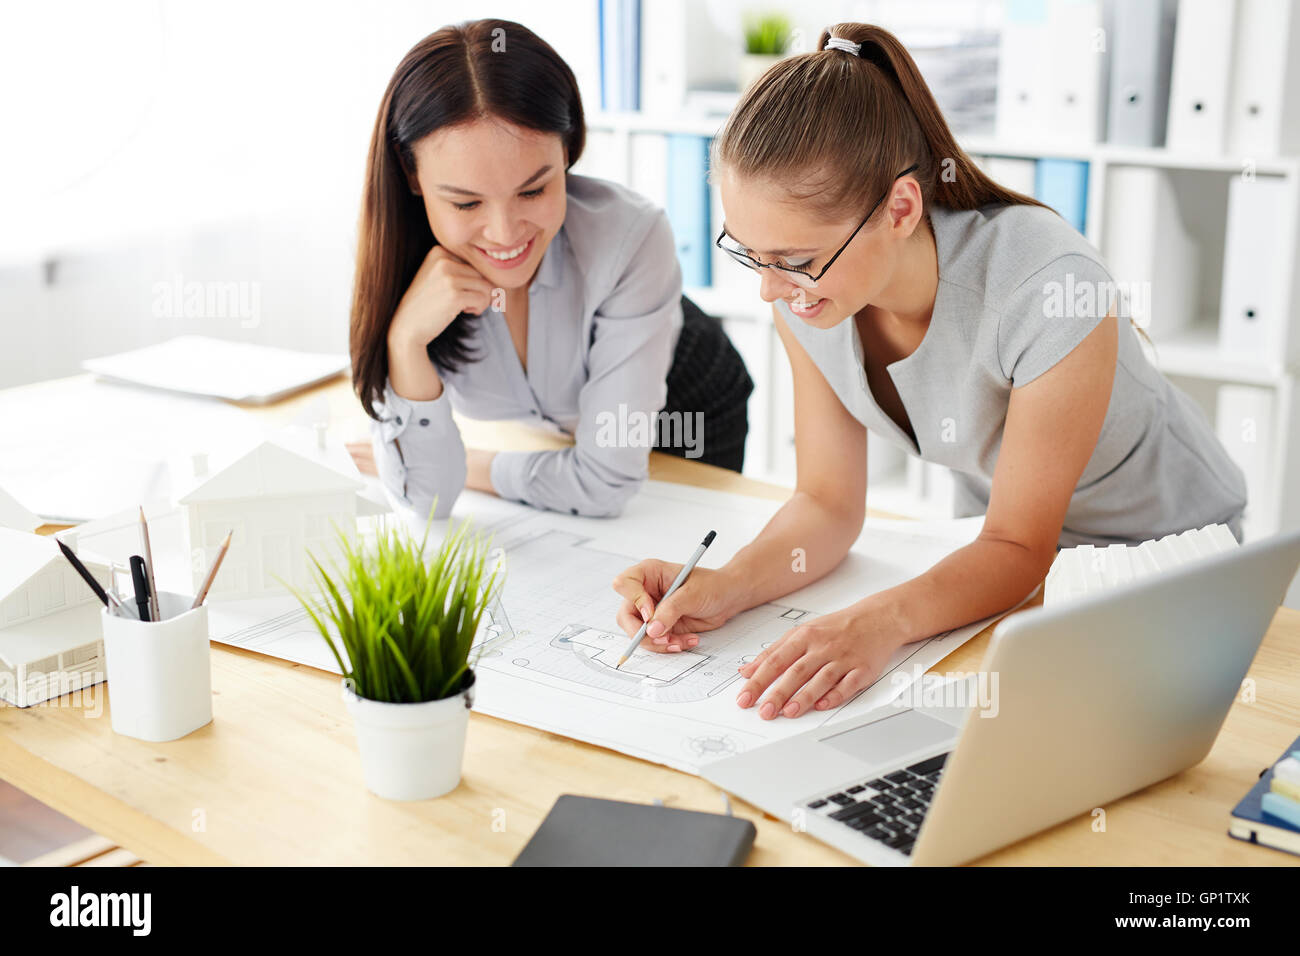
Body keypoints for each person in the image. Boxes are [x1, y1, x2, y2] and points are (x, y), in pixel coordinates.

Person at [612, 22, 1248, 720]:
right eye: (751, 254)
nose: (770, 289)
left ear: (901, 208)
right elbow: (826, 503)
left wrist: (877, 622)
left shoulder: (1049, 287)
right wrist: (725, 585)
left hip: (1166, 557)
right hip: (1007, 559)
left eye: (793, 260)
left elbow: (1019, 544)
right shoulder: (807, 298)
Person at [348, 19, 753, 520]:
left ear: (568, 150)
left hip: (690, 414)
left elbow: (604, 482)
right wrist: (404, 341)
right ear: (412, 177)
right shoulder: (397, 263)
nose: (504, 234)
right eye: (466, 204)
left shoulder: (632, 235)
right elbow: (427, 500)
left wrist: (475, 465)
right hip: (560, 438)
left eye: (534, 190)